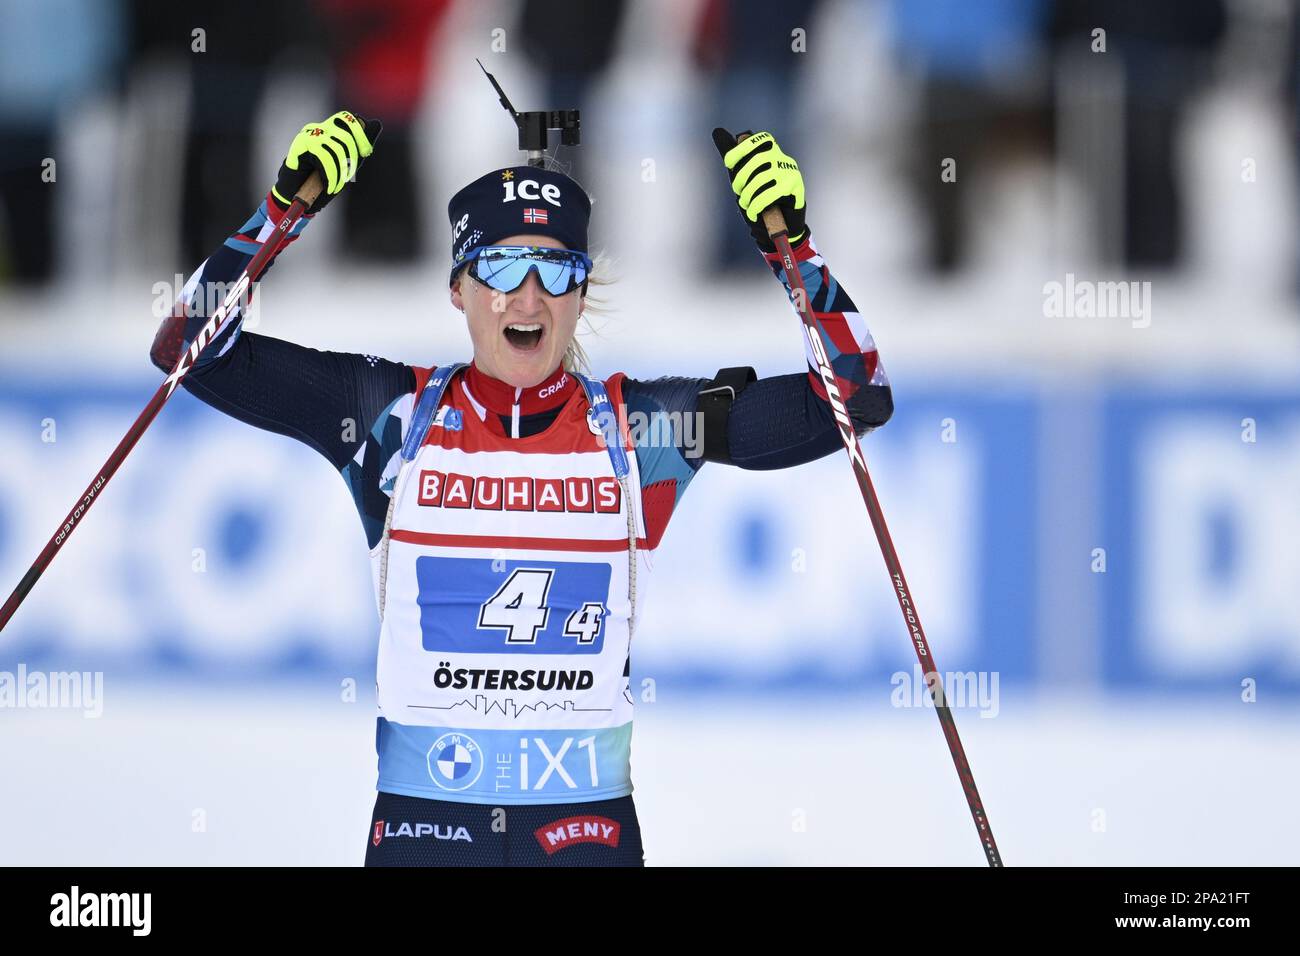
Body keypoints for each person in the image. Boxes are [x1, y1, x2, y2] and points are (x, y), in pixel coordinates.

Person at [149, 110, 893, 867]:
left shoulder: (645, 431)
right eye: (499, 271)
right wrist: (281, 214)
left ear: (581, 293)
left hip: (581, 829)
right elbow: (188, 349)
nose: (527, 299)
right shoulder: (387, 415)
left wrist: (793, 251)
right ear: (458, 289)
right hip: (424, 824)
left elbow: (855, 398)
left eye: (557, 272)